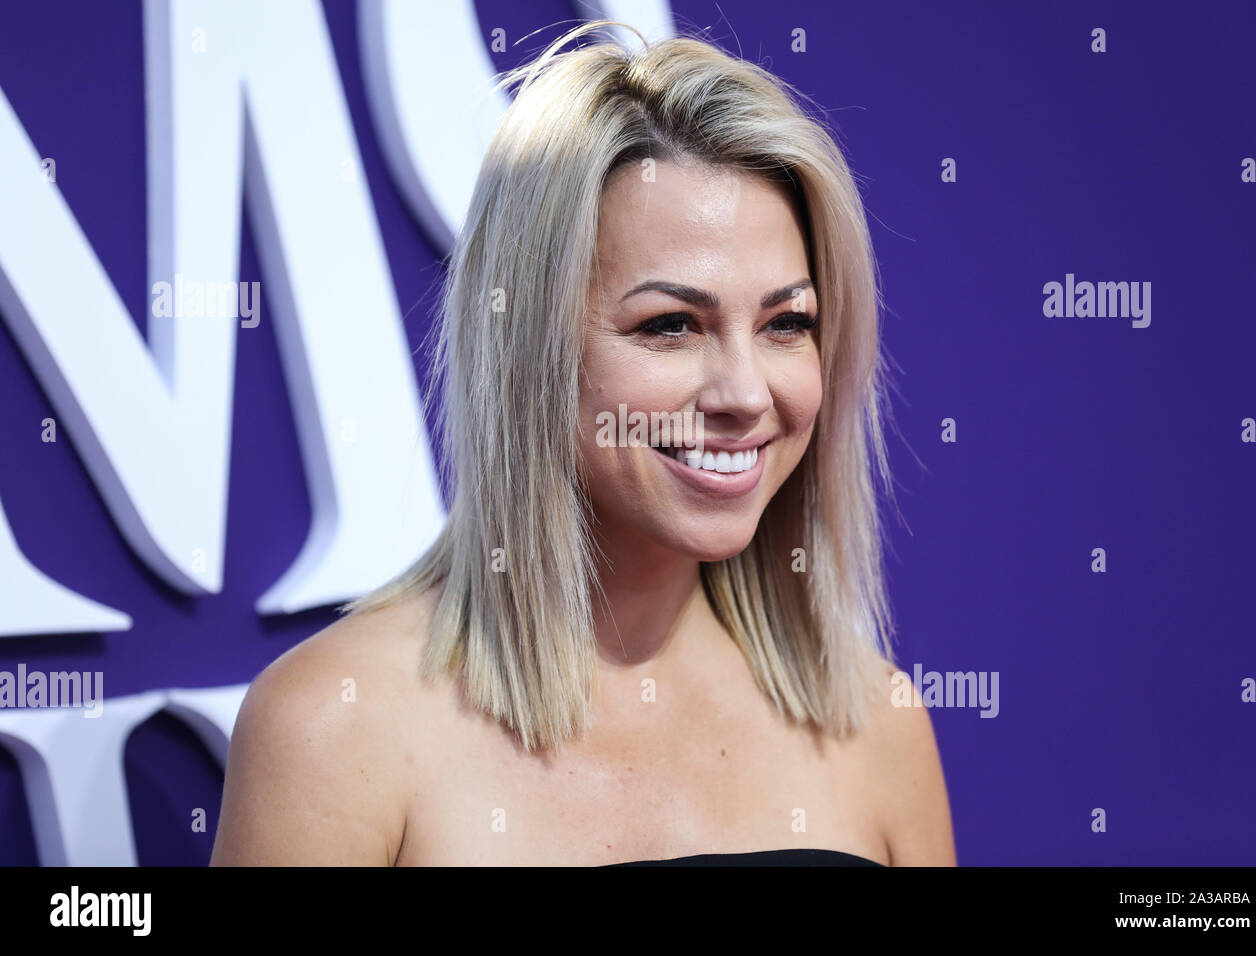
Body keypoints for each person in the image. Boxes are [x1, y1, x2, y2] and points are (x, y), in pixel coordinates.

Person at [211, 21, 956, 867]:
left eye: (787, 323)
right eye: (671, 325)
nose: (747, 395)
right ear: (531, 348)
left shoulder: (871, 721)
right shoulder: (333, 725)